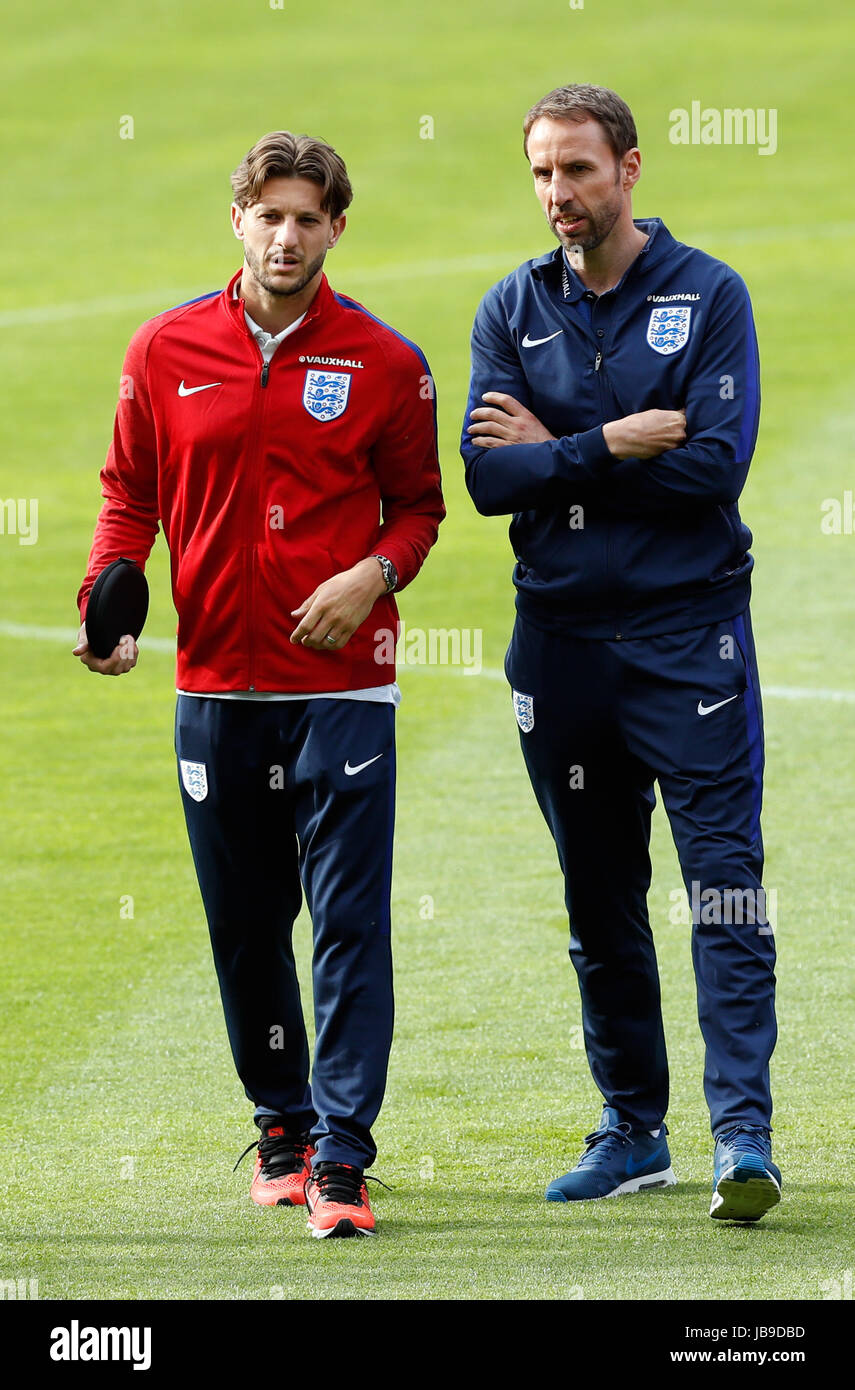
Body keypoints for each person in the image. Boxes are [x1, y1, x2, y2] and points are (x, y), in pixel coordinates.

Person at [75, 131, 445, 1239]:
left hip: (344, 688)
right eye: (268, 214)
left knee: (345, 922)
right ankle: (280, 1123)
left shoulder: (386, 363)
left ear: (338, 228)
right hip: (216, 689)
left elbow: (420, 507)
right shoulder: (163, 348)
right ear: (236, 219)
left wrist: (370, 577)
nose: (287, 236)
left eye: (308, 218)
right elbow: (128, 493)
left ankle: (342, 1153)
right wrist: (110, 585)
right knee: (245, 925)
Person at [460, 84, 779, 1223]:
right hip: (560, 652)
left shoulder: (709, 294)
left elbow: (714, 470)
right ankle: (634, 1129)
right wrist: (611, 440)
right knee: (601, 900)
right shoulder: (512, 308)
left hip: (690, 641)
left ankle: (743, 1133)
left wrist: (560, 453)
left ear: (631, 169)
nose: (560, 194)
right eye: (543, 173)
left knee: (725, 889)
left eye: (579, 171)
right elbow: (487, 479)